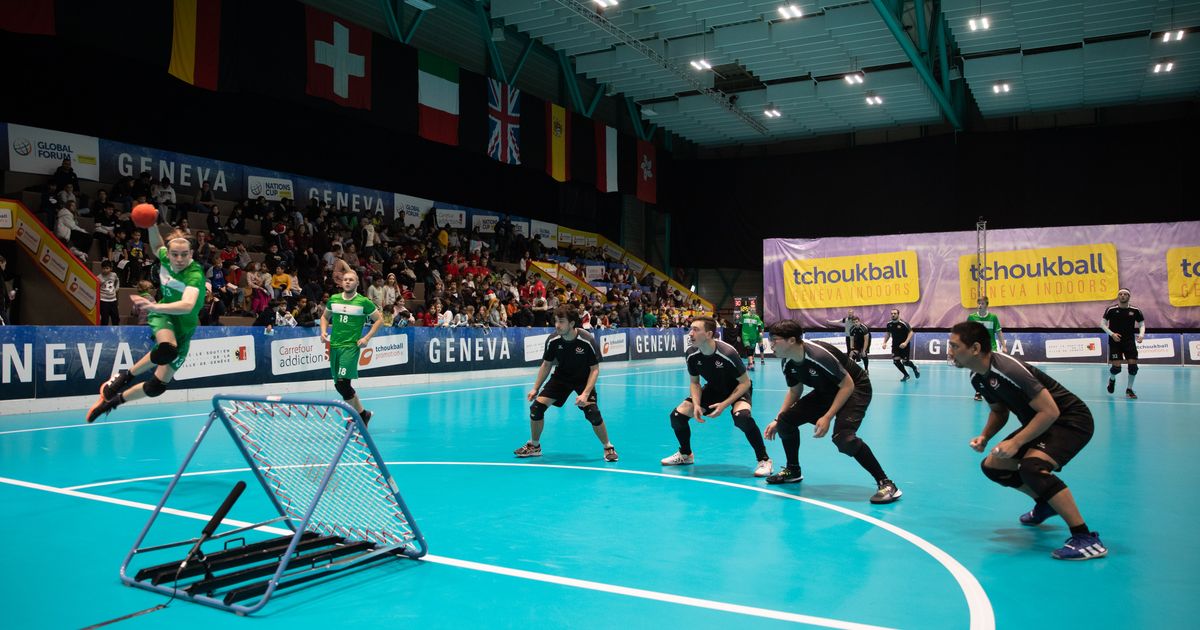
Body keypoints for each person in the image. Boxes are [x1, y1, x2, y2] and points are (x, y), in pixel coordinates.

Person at [947, 321, 1106, 560]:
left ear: (975, 348)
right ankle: (1045, 503)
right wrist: (985, 437)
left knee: (1032, 467)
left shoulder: (1008, 369)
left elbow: (1050, 411)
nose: (949, 351)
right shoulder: (977, 377)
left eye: (954, 346)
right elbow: (999, 411)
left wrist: (1017, 442)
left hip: (1070, 421)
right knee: (993, 465)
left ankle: (1085, 537)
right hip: (1041, 423)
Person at [762, 320, 901, 503]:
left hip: (855, 388)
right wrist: (777, 419)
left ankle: (886, 483)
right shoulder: (787, 361)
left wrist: (828, 416)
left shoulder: (818, 355)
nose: (770, 344)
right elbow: (795, 390)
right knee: (785, 421)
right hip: (827, 391)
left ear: (792, 340)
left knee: (844, 439)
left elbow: (847, 384)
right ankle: (793, 470)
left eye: (774, 340)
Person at [86, 228, 206, 422]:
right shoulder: (166, 257)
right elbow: (157, 245)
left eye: (185, 255)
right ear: (169, 254)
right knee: (167, 349)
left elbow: (187, 305)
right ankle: (123, 377)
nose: (179, 259)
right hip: (163, 313)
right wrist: (151, 225)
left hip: (184, 327)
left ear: (191, 254)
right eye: (175, 254)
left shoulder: (195, 275)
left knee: (156, 387)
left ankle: (112, 402)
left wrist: (151, 304)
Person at [661, 317, 773, 477]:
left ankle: (764, 460)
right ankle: (685, 454)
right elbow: (695, 383)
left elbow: (745, 383)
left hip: (738, 388)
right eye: (690, 329)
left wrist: (724, 404)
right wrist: (697, 404)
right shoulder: (691, 353)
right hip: (715, 388)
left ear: (709, 334)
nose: (690, 333)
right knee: (677, 415)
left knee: (742, 417)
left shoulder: (727, 353)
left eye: (695, 330)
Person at [514, 306, 618, 462]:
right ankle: (534, 446)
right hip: (561, 378)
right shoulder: (553, 340)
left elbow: (595, 370)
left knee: (593, 414)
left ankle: (608, 447)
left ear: (572, 323)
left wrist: (585, 393)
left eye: (561, 322)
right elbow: (546, 364)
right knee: (536, 408)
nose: (557, 325)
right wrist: (535, 388)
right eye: (556, 321)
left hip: (583, 379)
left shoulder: (587, 340)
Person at [320, 270, 384, 426]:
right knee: (339, 385)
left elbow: (379, 320)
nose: (347, 282)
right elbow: (324, 317)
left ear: (356, 283)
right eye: (345, 279)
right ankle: (363, 415)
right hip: (334, 346)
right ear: (341, 283)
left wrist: (366, 338)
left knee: (342, 384)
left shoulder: (363, 302)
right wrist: (323, 331)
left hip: (350, 347)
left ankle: (360, 415)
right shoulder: (334, 299)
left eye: (351, 280)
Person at [1101, 288, 1145, 399]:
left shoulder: (1135, 310)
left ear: (1129, 297)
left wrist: (1141, 335)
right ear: (1118, 296)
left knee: (1133, 367)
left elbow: (1141, 324)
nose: (1123, 296)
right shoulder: (1110, 310)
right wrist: (1112, 334)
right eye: (1121, 294)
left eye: (1125, 294)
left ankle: (1129, 389)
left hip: (1129, 341)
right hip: (1115, 341)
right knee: (1116, 369)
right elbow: (1102, 324)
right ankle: (1112, 380)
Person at [967, 296, 1006, 401]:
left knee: (989, 371)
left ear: (986, 305)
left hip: (990, 347)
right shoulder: (972, 317)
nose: (980, 305)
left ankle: (991, 390)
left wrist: (1004, 345)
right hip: (977, 349)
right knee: (977, 371)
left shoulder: (993, 317)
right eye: (978, 303)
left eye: (982, 303)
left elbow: (998, 332)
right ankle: (978, 392)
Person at [882, 308, 919, 381]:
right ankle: (906, 375)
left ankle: (914, 368)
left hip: (904, 346)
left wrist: (905, 343)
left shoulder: (903, 323)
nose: (893, 315)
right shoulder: (889, 324)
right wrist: (884, 342)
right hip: (895, 345)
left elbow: (911, 332)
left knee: (905, 362)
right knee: (896, 361)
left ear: (898, 314)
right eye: (892, 313)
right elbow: (888, 333)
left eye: (895, 313)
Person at [738, 305, 765, 370]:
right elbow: (740, 326)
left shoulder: (757, 317)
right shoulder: (744, 316)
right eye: (752, 308)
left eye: (754, 309)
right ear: (749, 309)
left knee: (752, 349)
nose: (753, 310)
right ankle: (751, 364)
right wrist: (738, 335)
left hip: (754, 336)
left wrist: (761, 333)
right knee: (748, 348)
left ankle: (752, 363)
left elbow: (759, 326)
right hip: (745, 335)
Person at [97, 261, 120, 325]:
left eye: (107, 268)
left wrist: (116, 288)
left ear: (111, 269)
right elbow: (96, 288)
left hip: (113, 300)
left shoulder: (114, 275)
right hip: (103, 300)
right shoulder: (99, 277)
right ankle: (104, 333)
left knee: (116, 318)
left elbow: (117, 280)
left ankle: (115, 332)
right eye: (103, 268)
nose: (105, 270)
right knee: (104, 319)